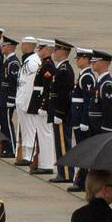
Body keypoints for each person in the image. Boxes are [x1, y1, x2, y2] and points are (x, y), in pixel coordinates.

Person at [26, 38, 56, 175]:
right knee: (41, 134)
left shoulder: (49, 65)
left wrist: (44, 105)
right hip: (38, 101)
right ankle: (43, 162)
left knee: (45, 134)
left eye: (41, 48)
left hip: (42, 103)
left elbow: (48, 88)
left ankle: (47, 164)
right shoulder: (43, 64)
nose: (38, 51)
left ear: (47, 50)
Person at [47, 40, 75, 183]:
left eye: (56, 50)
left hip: (61, 115)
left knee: (63, 144)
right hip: (58, 113)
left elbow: (64, 95)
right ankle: (62, 172)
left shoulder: (65, 71)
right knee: (60, 144)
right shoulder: (61, 69)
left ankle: (66, 174)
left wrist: (59, 113)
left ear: (63, 52)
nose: (54, 53)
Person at [70, 45, 96, 189]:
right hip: (78, 119)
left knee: (84, 150)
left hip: (82, 120)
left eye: (79, 58)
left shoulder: (87, 77)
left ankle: (82, 181)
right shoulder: (83, 75)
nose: (77, 61)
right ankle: (81, 180)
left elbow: (88, 101)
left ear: (86, 59)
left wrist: (85, 120)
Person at [14, 36, 38, 165]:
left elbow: (30, 85)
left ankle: (30, 156)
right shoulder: (27, 61)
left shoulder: (32, 63)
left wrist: (28, 103)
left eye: (23, 44)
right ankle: (27, 155)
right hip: (22, 101)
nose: (21, 47)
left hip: (27, 102)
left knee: (30, 130)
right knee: (26, 130)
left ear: (28, 46)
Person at [0, 35, 20, 159]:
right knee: (4, 122)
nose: (2, 47)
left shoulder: (13, 63)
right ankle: (7, 147)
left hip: (8, 98)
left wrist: (11, 99)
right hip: (3, 96)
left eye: (4, 45)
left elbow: (14, 83)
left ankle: (12, 148)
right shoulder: (8, 61)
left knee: (7, 122)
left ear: (10, 47)